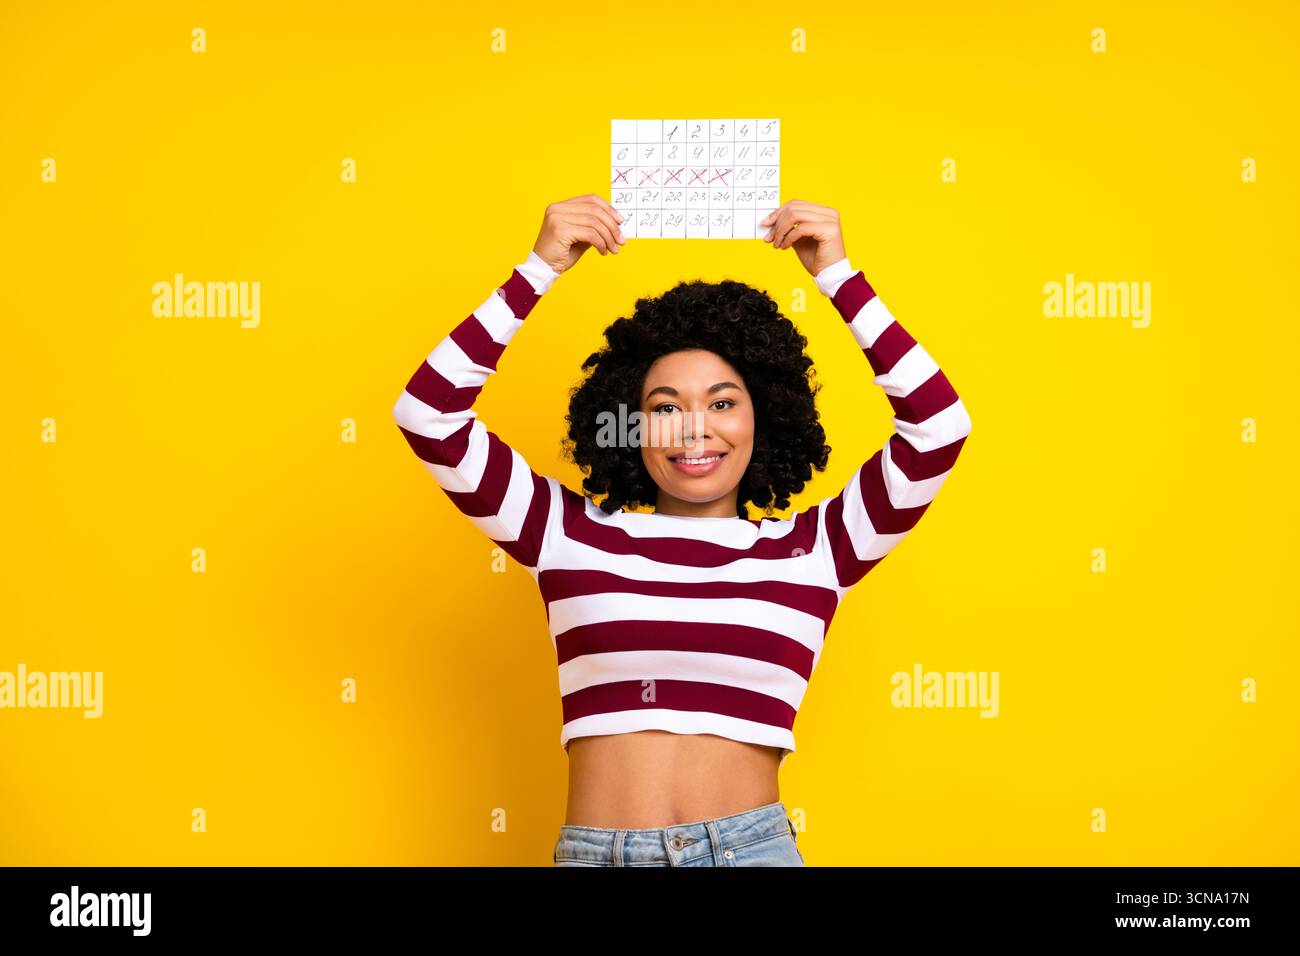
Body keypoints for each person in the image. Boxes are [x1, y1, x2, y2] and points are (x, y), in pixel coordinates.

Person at [391, 194, 972, 866]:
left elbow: (939, 430)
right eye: (664, 408)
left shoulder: (819, 550)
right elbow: (427, 413)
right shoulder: (563, 534)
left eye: (723, 402)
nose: (695, 428)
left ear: (765, 417)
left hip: (749, 852)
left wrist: (839, 276)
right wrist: (538, 268)